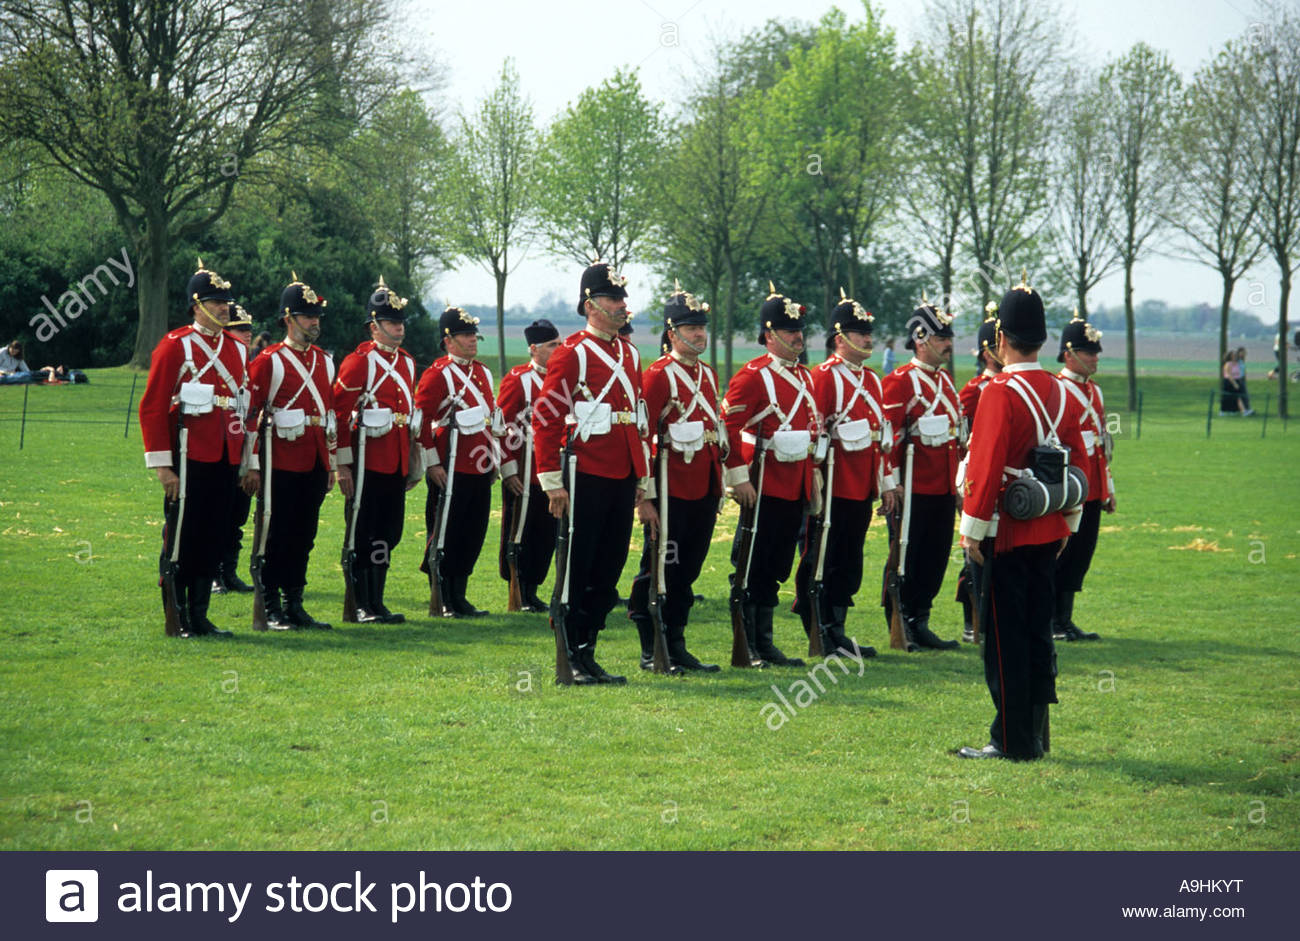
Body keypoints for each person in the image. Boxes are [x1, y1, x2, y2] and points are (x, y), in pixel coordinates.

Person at [957, 276, 1088, 761]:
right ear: (1042, 339)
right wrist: (1069, 520)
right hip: (1048, 525)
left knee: (1004, 640)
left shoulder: (999, 391)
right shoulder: (1060, 390)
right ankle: (1033, 730)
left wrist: (972, 529)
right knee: (1035, 630)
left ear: (1000, 340)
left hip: (1007, 532)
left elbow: (986, 464)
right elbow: (1074, 459)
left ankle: (1010, 740)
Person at [533, 261, 649, 685]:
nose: (622, 306)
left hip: (620, 473)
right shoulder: (573, 353)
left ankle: (588, 648)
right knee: (578, 567)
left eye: (623, 299)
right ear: (590, 304)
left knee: (609, 564)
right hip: (584, 474)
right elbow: (546, 418)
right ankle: (570, 652)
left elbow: (636, 421)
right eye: (613, 299)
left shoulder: (630, 354)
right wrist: (552, 481)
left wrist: (643, 477)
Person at [138, 259, 246, 637]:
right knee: (183, 536)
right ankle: (177, 614)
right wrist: (163, 467)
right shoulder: (175, 345)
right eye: (215, 301)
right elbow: (152, 407)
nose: (224, 307)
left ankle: (199, 615)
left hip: (224, 456)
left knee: (213, 535)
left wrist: (246, 459)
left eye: (226, 301)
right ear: (196, 305)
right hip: (188, 457)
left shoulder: (236, 349)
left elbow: (240, 407)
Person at [627, 283, 727, 673]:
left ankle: (677, 642)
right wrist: (645, 497)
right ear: (672, 333)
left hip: (701, 487)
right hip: (668, 489)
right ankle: (651, 644)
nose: (700, 334)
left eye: (702, 327)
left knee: (687, 571)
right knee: (658, 567)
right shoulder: (657, 376)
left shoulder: (707, 374)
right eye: (691, 328)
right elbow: (643, 437)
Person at [720, 282, 818, 668]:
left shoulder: (806, 377)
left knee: (776, 565)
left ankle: (765, 640)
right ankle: (749, 643)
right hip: (762, 484)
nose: (798, 337)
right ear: (769, 335)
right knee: (753, 564)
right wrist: (739, 477)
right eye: (790, 331)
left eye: (799, 331)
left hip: (793, 484)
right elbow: (728, 427)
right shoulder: (752, 376)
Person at [793, 289, 895, 658]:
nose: (868, 337)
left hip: (859, 485)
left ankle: (836, 628)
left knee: (849, 561)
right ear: (840, 338)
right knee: (822, 558)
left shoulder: (872, 381)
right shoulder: (823, 377)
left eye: (868, 331)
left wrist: (886, 484)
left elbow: (879, 437)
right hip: (832, 486)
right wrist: (814, 482)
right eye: (859, 332)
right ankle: (817, 626)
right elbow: (814, 431)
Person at [243, 276, 337, 630]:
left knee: (304, 534)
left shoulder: (325, 362)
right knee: (277, 533)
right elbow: (250, 415)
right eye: (306, 315)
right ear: (288, 319)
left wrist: (329, 462)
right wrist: (252, 464)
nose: (314, 322)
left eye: (316, 315)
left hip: (313, 459)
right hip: (279, 459)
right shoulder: (269, 360)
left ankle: (294, 602)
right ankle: (269, 604)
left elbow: (328, 417)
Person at [334, 277, 421, 624]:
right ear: (374, 326)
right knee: (363, 532)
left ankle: (377, 600)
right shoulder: (359, 361)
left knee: (389, 533)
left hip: (395, 461)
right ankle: (358, 601)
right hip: (366, 461)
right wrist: (342, 464)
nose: (398, 329)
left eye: (400, 322)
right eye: (391, 323)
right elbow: (338, 414)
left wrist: (412, 463)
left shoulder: (408, 362)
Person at [881, 299, 962, 651]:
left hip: (942, 487)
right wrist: (892, 483)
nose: (948, 343)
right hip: (911, 489)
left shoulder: (945, 382)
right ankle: (899, 623)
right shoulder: (900, 382)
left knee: (935, 557)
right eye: (940, 336)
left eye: (948, 336)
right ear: (920, 339)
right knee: (906, 557)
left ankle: (920, 619)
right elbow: (889, 439)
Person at [416, 304, 497, 618]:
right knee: (445, 531)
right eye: (465, 335)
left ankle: (460, 595)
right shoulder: (437, 374)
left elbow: (491, 420)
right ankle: (443, 595)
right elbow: (421, 421)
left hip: (478, 464)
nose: (472, 340)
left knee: (472, 532)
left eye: (473, 334)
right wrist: (431, 462)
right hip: (449, 464)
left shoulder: (483, 372)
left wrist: (492, 461)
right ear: (448, 341)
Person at [1053, 313, 1116, 642]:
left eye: (1095, 352)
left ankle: (1066, 618)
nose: (1095, 358)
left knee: (1081, 555)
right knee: (1062, 554)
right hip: (1068, 486)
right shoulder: (1057, 389)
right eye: (1088, 352)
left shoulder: (1096, 393)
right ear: (1069, 354)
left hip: (1093, 485)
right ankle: (1052, 619)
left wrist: (1109, 487)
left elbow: (1103, 443)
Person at [495, 319, 562, 612]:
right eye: (551, 346)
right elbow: (502, 427)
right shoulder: (518, 379)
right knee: (520, 530)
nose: (557, 350)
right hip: (523, 471)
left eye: (559, 344)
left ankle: (533, 589)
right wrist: (507, 470)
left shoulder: (563, 379)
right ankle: (517, 587)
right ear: (534, 349)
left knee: (546, 535)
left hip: (552, 472)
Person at [954, 304, 1003, 642]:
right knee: (975, 555)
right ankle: (973, 618)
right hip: (976, 482)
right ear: (989, 351)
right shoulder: (974, 391)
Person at [213, 304, 256, 595]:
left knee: (238, 515)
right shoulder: (215, 365)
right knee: (217, 515)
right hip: (217, 448)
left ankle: (229, 571)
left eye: (248, 330)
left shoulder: (248, 367)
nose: (247, 335)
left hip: (242, 446)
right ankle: (213, 573)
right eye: (240, 330)